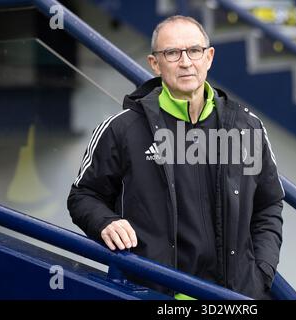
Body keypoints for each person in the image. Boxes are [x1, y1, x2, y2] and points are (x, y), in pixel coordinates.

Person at [67, 15, 284, 299]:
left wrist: (261, 272)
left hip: (236, 297)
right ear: (154, 63)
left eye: (194, 51)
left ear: (209, 57)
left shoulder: (246, 127)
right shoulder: (122, 128)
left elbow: (269, 204)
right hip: (156, 294)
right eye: (172, 53)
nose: (185, 62)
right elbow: (83, 195)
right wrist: (105, 221)